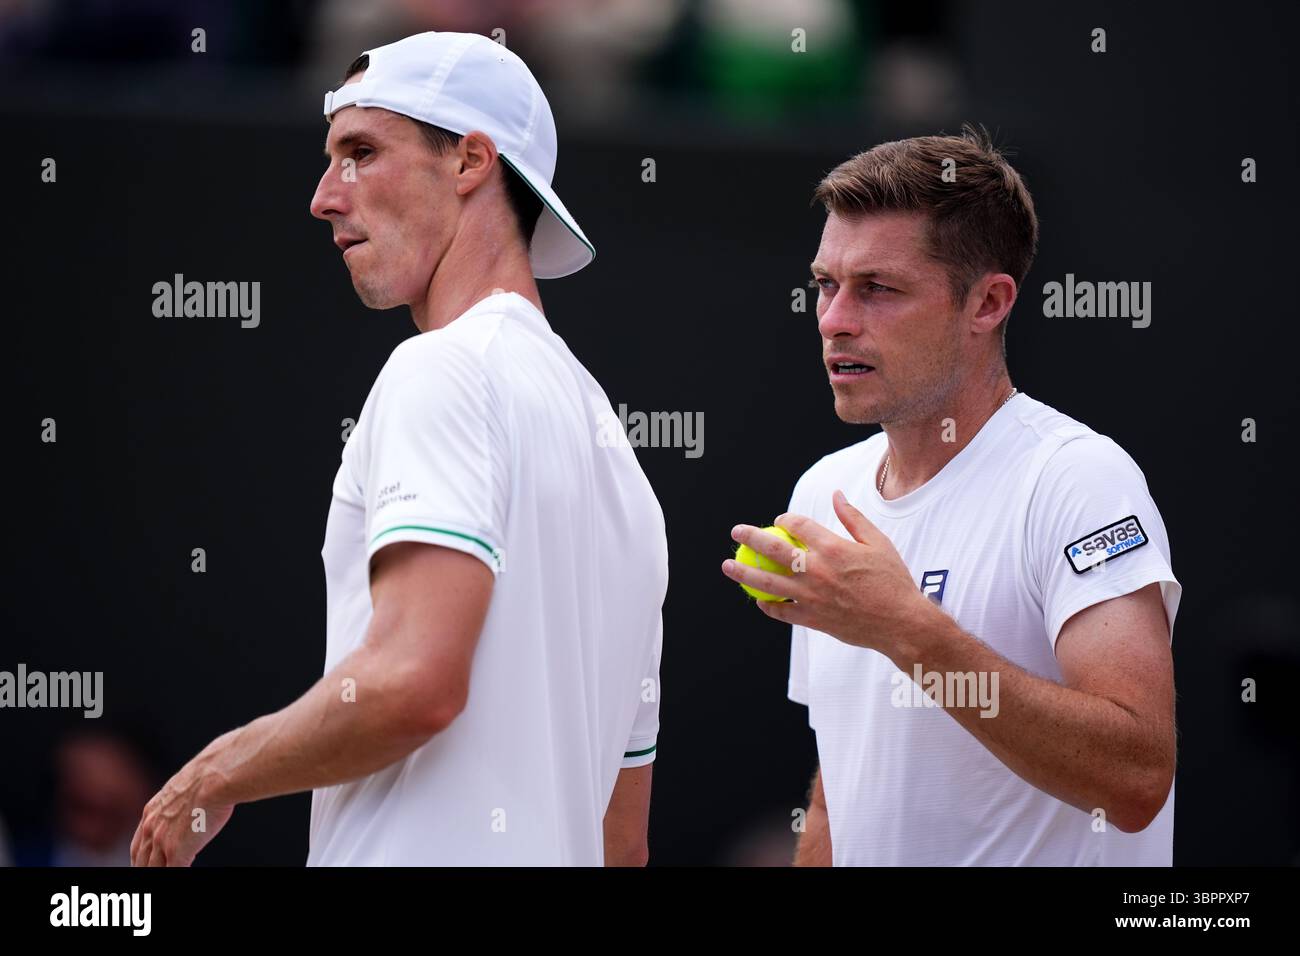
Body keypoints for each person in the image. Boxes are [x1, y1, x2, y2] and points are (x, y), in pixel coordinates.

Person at [132, 31, 667, 866]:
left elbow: (414, 683)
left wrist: (213, 775)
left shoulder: (442, 369)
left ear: (470, 162)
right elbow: (622, 843)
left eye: (361, 153)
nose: (323, 198)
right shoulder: (621, 466)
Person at [721, 126, 1181, 866]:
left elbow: (1135, 779)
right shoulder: (825, 490)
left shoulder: (1076, 480)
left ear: (988, 303)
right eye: (826, 284)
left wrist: (905, 629)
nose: (834, 319)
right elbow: (844, 782)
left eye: (878, 289)